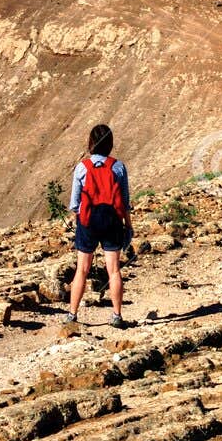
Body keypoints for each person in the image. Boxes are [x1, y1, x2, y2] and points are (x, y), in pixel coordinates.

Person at [66, 123, 132, 327]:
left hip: (88, 222)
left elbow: (75, 204)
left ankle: (72, 315)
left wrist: (80, 222)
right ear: (110, 143)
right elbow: (125, 201)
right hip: (113, 221)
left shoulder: (82, 167)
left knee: (82, 270)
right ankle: (117, 316)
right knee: (114, 270)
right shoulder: (118, 167)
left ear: (91, 143)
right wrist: (128, 226)